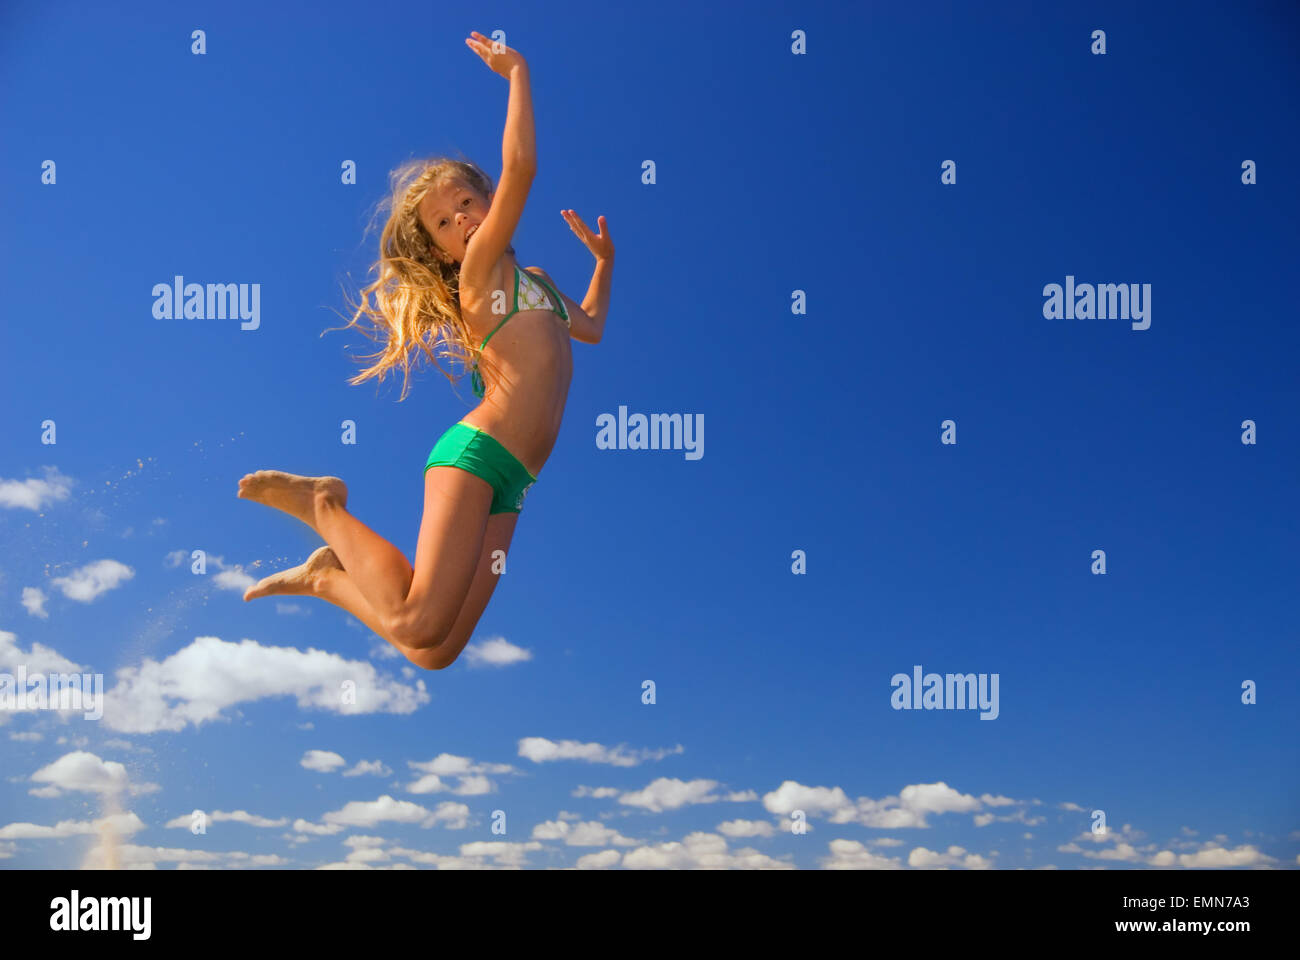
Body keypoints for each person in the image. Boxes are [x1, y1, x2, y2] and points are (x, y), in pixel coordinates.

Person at [237, 32, 614, 670]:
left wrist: (603, 264)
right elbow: (522, 168)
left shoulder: (541, 285)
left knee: (433, 653)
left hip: (515, 482)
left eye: (468, 202)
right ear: (442, 252)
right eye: (445, 222)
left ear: (485, 201)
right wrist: (517, 72)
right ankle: (324, 503)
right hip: (477, 453)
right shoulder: (481, 274)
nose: (463, 218)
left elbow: (594, 327)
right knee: (415, 620)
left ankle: (325, 578)